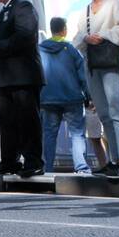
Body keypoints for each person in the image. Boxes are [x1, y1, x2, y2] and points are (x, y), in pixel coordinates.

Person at [72, 0, 119, 177]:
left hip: (111, 63)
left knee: (118, 112)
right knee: (105, 114)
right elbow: (78, 38)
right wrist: (86, 38)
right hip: (92, 65)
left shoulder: (114, 3)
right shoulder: (85, 11)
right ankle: (114, 160)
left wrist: (104, 35)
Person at [0, 0, 45, 176]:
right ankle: (9, 160)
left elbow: (26, 35)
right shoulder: (7, 10)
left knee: (28, 120)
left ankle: (33, 161)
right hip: (9, 75)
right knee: (9, 121)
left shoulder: (23, 7)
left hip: (23, 75)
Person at [38, 17, 91, 174]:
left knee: (49, 134)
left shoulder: (40, 50)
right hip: (72, 98)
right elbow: (83, 74)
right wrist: (88, 95)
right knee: (77, 134)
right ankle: (81, 168)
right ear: (64, 30)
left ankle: (47, 168)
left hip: (48, 99)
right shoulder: (71, 49)